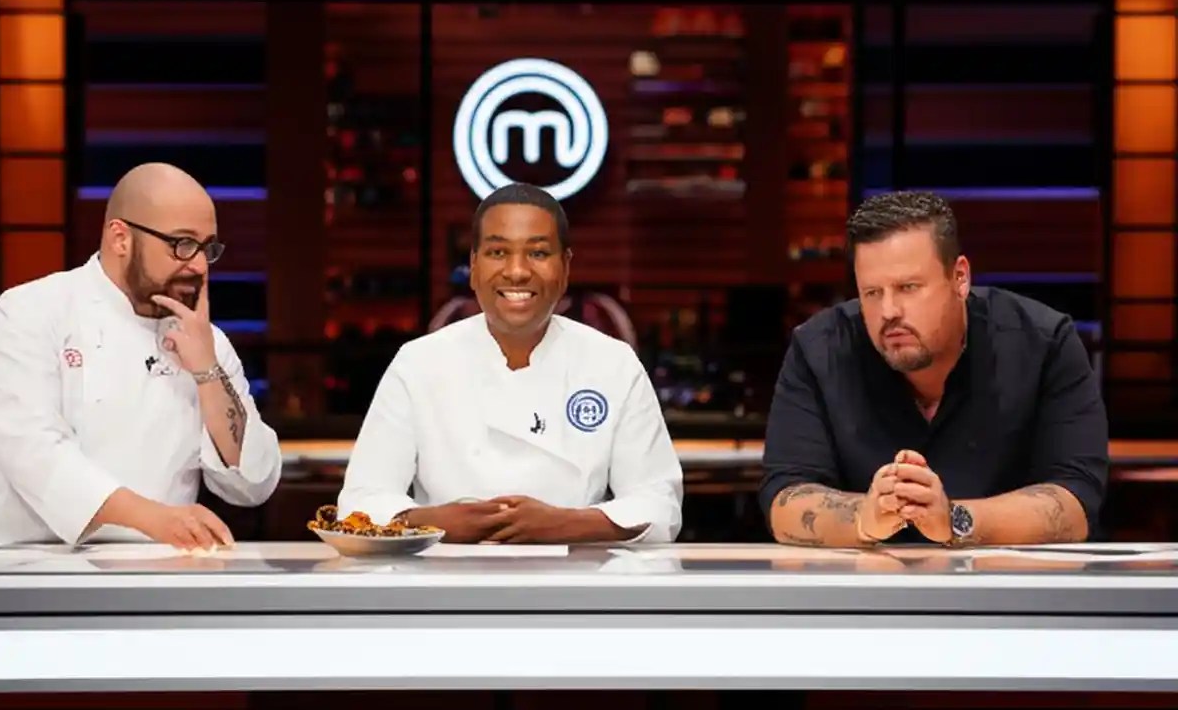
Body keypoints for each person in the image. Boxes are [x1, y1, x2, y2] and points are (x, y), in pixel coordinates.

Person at [0, 163, 282, 549]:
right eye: (182, 244)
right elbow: (35, 454)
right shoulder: (31, 312)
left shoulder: (205, 340)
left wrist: (208, 369)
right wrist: (154, 519)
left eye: (207, 248)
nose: (197, 265)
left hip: (149, 577)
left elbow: (254, 482)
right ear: (120, 238)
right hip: (13, 571)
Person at [337, 183, 682, 543]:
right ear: (473, 267)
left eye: (537, 253)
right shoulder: (419, 362)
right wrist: (438, 523)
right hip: (444, 585)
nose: (516, 271)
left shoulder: (613, 364)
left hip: (577, 584)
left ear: (565, 268)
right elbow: (360, 504)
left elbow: (659, 504)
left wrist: (565, 525)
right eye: (498, 251)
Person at [760, 190, 1107, 548]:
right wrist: (864, 517)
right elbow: (784, 496)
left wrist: (954, 520)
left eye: (908, 287)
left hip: (1010, 591)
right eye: (872, 293)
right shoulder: (819, 350)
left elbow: (1077, 499)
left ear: (960, 277)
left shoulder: (1044, 344)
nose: (889, 310)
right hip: (863, 593)